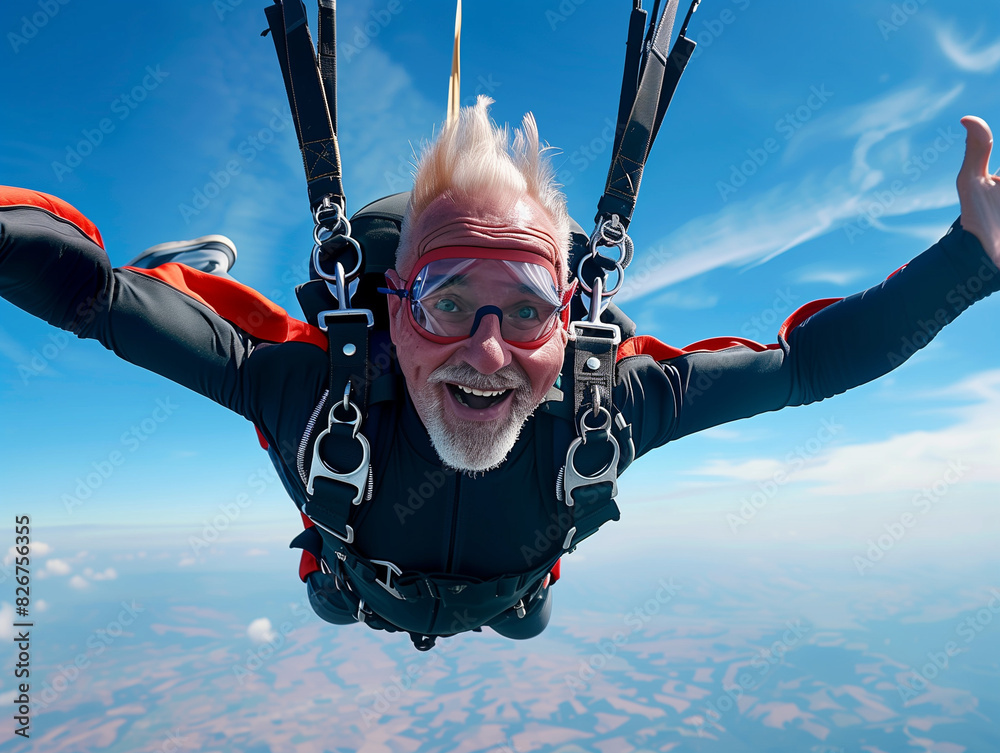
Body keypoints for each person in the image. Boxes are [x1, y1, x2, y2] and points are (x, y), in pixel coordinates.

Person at [1, 99, 998, 650]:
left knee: (519, 617)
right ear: (392, 307)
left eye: (525, 310)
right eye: (446, 303)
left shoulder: (612, 401)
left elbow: (806, 366)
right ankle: (339, 566)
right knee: (336, 597)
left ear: (570, 323)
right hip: (364, 575)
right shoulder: (309, 384)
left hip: (500, 586)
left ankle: (453, 588)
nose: (486, 353)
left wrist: (975, 259)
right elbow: (92, 295)